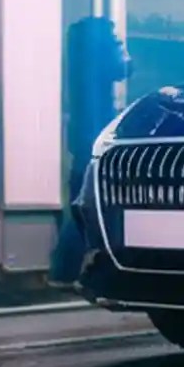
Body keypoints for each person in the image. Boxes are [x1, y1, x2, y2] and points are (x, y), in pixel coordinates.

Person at [47, 15, 130, 287]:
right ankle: (68, 271)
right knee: (88, 211)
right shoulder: (98, 57)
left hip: (83, 143)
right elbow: (124, 69)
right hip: (96, 146)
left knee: (83, 209)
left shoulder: (78, 60)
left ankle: (66, 270)